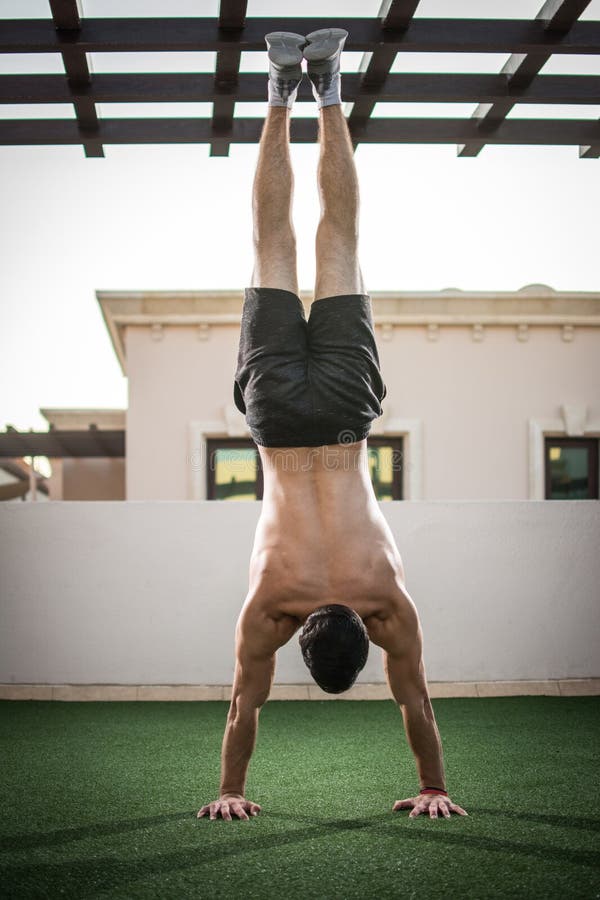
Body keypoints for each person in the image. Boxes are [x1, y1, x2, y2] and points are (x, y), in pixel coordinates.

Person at [198, 29, 467, 823]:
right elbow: (242, 710)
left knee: (338, 242)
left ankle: (326, 86)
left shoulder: (386, 602)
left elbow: (416, 705)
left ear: (361, 632)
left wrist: (436, 786)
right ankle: (283, 89)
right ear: (298, 637)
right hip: (279, 423)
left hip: (347, 419)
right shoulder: (270, 606)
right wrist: (229, 793)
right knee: (273, 244)